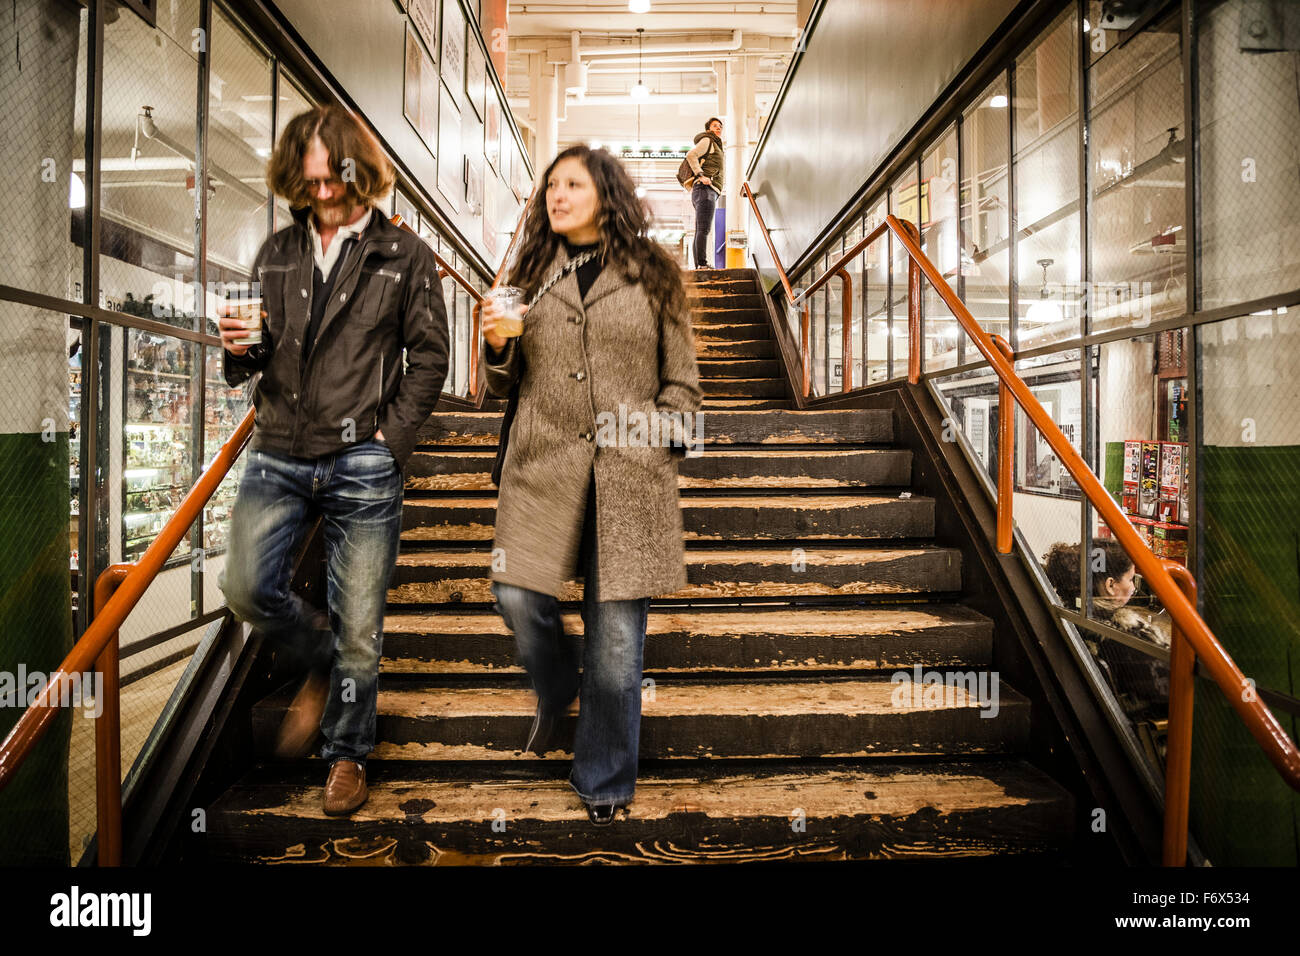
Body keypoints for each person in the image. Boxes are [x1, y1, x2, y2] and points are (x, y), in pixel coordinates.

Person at [217, 105, 449, 816]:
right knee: (244, 585)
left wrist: (391, 442)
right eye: (308, 170)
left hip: (362, 461)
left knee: (361, 622)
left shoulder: (404, 255)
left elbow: (430, 357)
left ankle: (346, 756)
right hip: (279, 447)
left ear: (356, 166)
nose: (320, 185)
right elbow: (255, 355)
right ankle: (317, 651)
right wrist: (239, 349)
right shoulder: (276, 253)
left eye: (332, 169)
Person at [479, 145, 702, 826]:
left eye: (573, 182)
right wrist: (494, 348)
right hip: (541, 465)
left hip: (628, 475)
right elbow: (500, 385)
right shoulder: (529, 273)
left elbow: (684, 386)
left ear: (606, 193)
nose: (557, 193)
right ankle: (554, 678)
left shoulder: (655, 273)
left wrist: (659, 433)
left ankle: (602, 778)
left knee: (615, 645)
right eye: (551, 184)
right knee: (516, 593)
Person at [1042, 539, 1169, 718]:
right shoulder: (1127, 636)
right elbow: (1168, 692)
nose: (1133, 588)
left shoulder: (1067, 615)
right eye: (1131, 579)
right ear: (1110, 585)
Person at [685, 117, 724, 269]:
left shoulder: (716, 144)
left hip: (705, 191)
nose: (719, 128)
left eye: (720, 126)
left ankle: (699, 264)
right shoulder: (708, 140)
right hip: (705, 189)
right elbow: (691, 155)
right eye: (715, 126)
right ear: (708, 129)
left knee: (701, 229)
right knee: (703, 229)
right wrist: (701, 174)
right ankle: (702, 264)